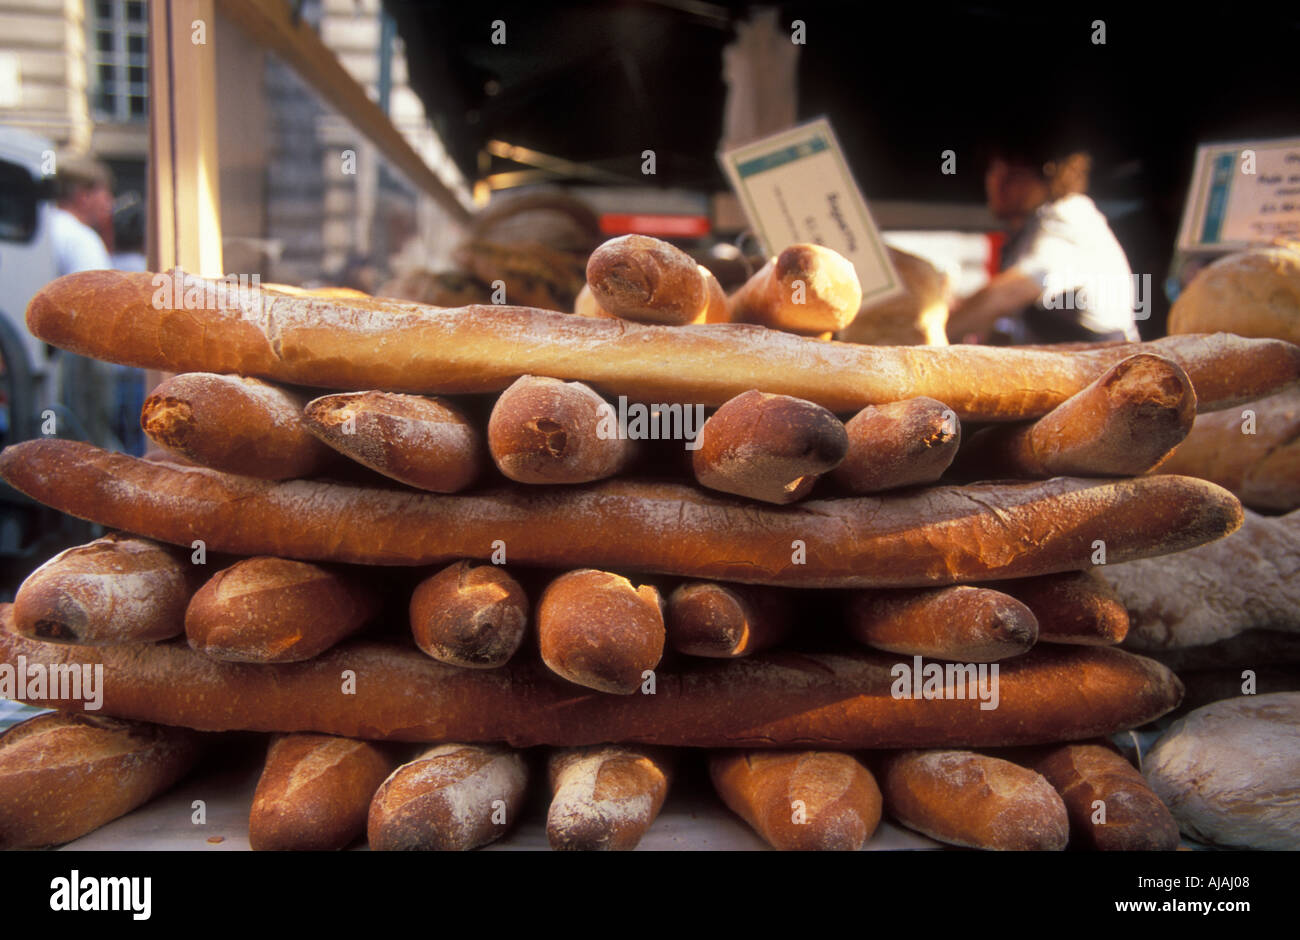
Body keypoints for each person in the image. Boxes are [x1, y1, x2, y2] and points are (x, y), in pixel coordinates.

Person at [948, 142, 1139, 344]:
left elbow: (1008, 294)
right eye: (993, 170)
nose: (996, 182)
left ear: (1048, 174)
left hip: (1105, 367)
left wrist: (930, 333)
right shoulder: (1031, 229)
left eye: (1012, 173)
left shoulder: (1071, 217)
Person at [49, 155, 114, 275]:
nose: (109, 202)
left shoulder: (41, 226)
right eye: (105, 193)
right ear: (85, 196)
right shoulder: (82, 239)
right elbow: (96, 292)